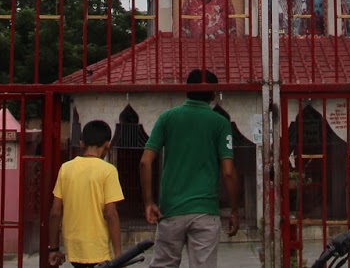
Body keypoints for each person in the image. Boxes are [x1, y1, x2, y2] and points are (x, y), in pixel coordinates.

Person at [139, 70, 240, 268]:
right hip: (205, 212)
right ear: (213, 94)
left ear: (186, 91)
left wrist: (149, 202)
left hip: (171, 210)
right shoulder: (220, 123)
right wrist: (234, 211)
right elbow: (228, 172)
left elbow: (145, 161)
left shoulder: (167, 118)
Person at [49, 120, 124, 268]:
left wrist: (53, 249)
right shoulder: (108, 171)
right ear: (108, 144)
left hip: (73, 249)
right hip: (98, 250)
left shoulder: (65, 169)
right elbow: (111, 214)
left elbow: (55, 213)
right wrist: (119, 254)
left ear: (82, 143)